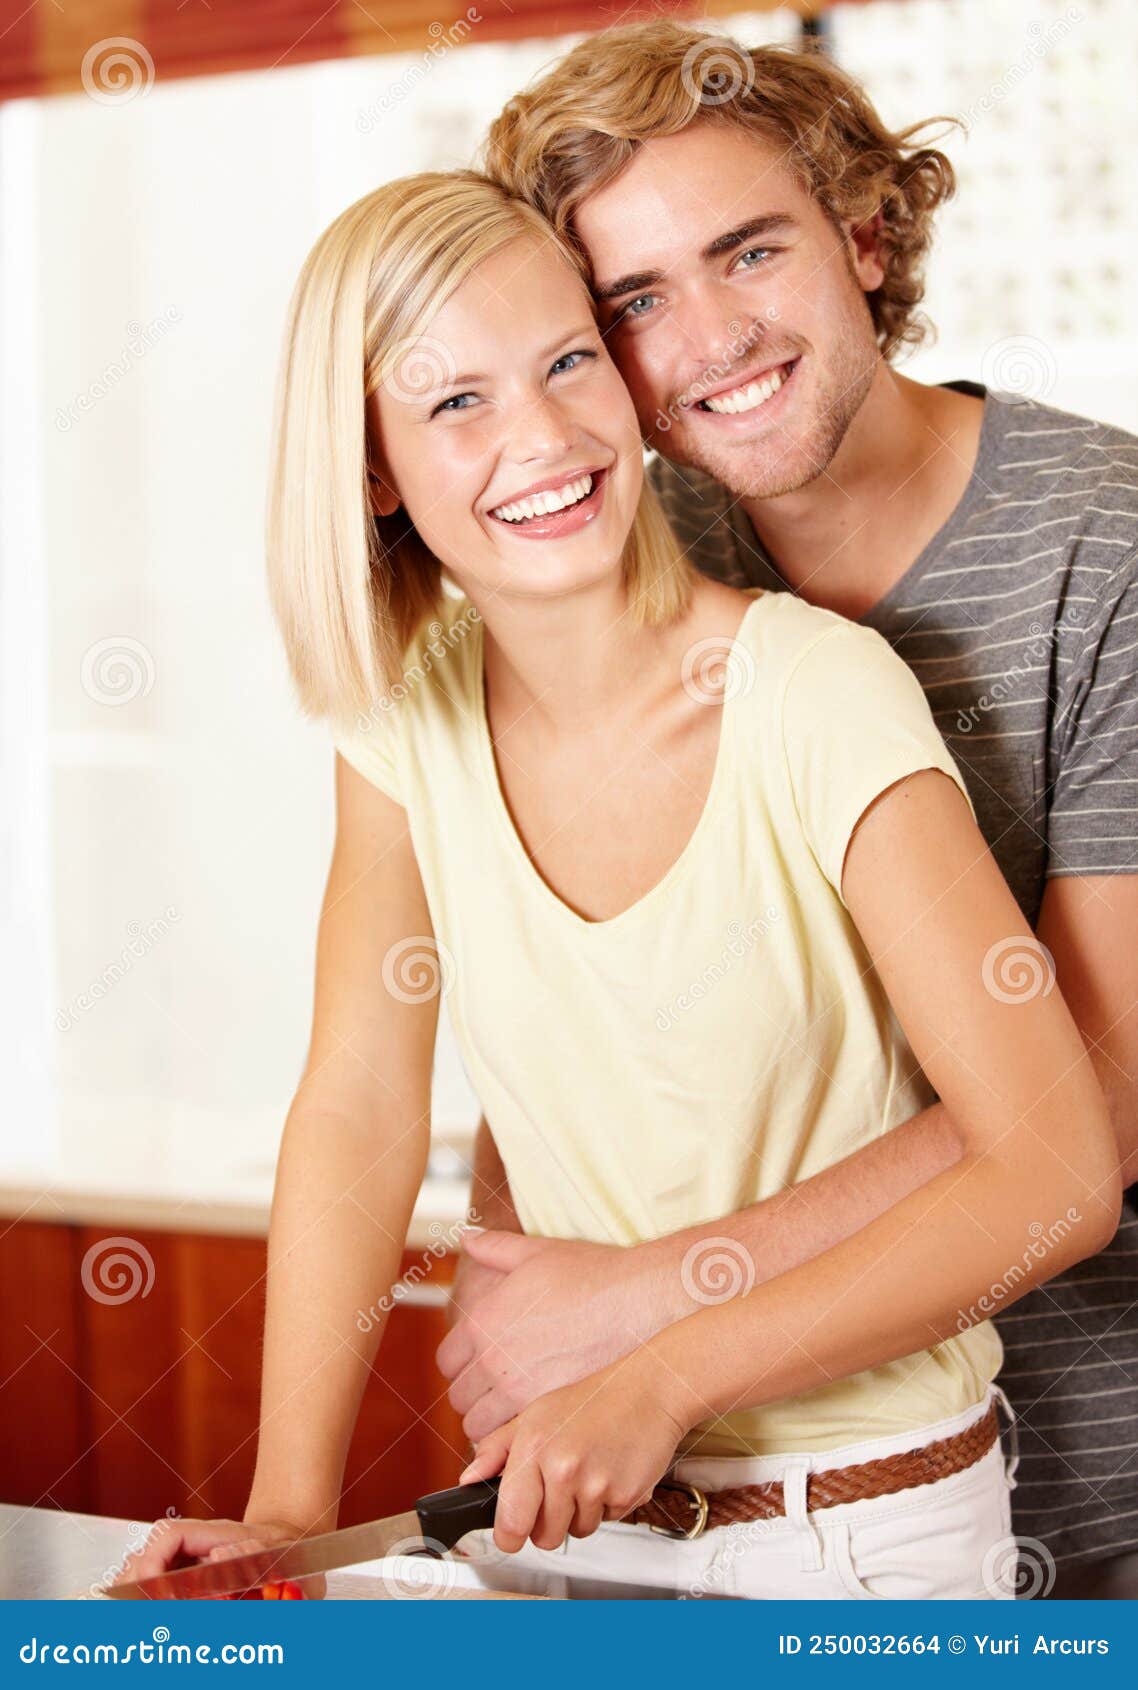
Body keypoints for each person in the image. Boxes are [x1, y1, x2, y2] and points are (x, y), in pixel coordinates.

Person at [119, 167, 1119, 1601]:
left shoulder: (816, 691)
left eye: (568, 361)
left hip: (866, 1539)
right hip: (572, 1526)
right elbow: (356, 1104)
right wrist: (285, 1503)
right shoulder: (406, 722)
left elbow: (1055, 1169)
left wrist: (659, 1375)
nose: (540, 436)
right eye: (454, 400)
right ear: (373, 470)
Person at [444, 18, 1138, 1600]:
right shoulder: (628, 537)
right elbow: (573, 979)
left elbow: (1091, 1105)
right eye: (630, 300)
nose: (708, 340)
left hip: (1087, 1475)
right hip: (703, 1498)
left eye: (747, 251)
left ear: (865, 232)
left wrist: (649, 1310)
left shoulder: (1108, 546)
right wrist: (525, 1295)